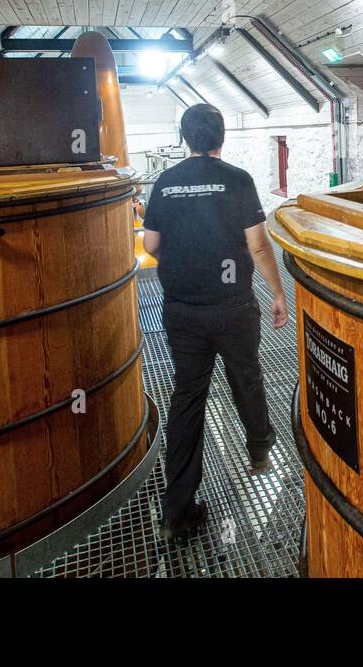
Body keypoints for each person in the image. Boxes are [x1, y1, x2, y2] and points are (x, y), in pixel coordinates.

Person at [141, 103, 289, 541]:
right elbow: (259, 246)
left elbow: (151, 244)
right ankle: (260, 450)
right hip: (233, 306)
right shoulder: (238, 180)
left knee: (188, 396)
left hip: (183, 309)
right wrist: (278, 292)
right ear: (221, 137)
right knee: (246, 375)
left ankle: (178, 511)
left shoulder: (166, 183)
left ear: (186, 138)